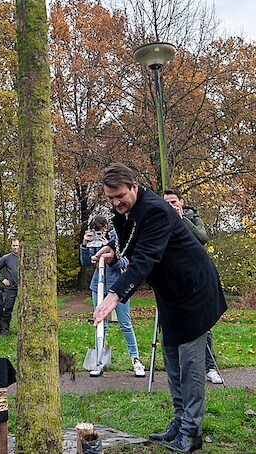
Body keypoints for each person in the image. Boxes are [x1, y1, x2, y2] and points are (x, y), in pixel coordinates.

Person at [93, 164, 227, 453]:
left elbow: (145, 257)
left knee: (190, 363)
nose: (116, 203)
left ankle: (192, 433)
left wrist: (114, 295)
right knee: (172, 359)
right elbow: (131, 242)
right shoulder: (127, 211)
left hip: (193, 290)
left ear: (134, 187)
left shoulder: (154, 210)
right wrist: (114, 251)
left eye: (119, 196)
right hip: (170, 292)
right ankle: (180, 422)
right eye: (110, 198)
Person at [163, 188, 222, 386]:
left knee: (203, 326)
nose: (170, 206)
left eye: (173, 202)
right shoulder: (161, 219)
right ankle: (178, 369)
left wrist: (181, 220)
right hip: (173, 279)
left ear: (181, 202)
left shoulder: (193, 218)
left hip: (197, 278)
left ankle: (210, 367)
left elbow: (202, 238)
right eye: (167, 203)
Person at [84, 216, 146, 378]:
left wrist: (109, 252)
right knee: (100, 324)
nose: (100, 233)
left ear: (106, 227)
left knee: (125, 324)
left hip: (118, 286)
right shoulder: (94, 241)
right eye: (96, 231)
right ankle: (99, 360)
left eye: (101, 230)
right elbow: (85, 262)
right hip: (98, 285)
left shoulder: (119, 239)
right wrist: (86, 246)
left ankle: (136, 360)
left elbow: (124, 264)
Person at [0, 239, 20, 333]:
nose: (15, 247)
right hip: (11, 287)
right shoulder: (7, 258)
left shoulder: (25, 257)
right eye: (14, 246)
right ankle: (5, 330)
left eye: (17, 245)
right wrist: (2, 279)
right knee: (7, 308)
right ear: (11, 246)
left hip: (23, 288)